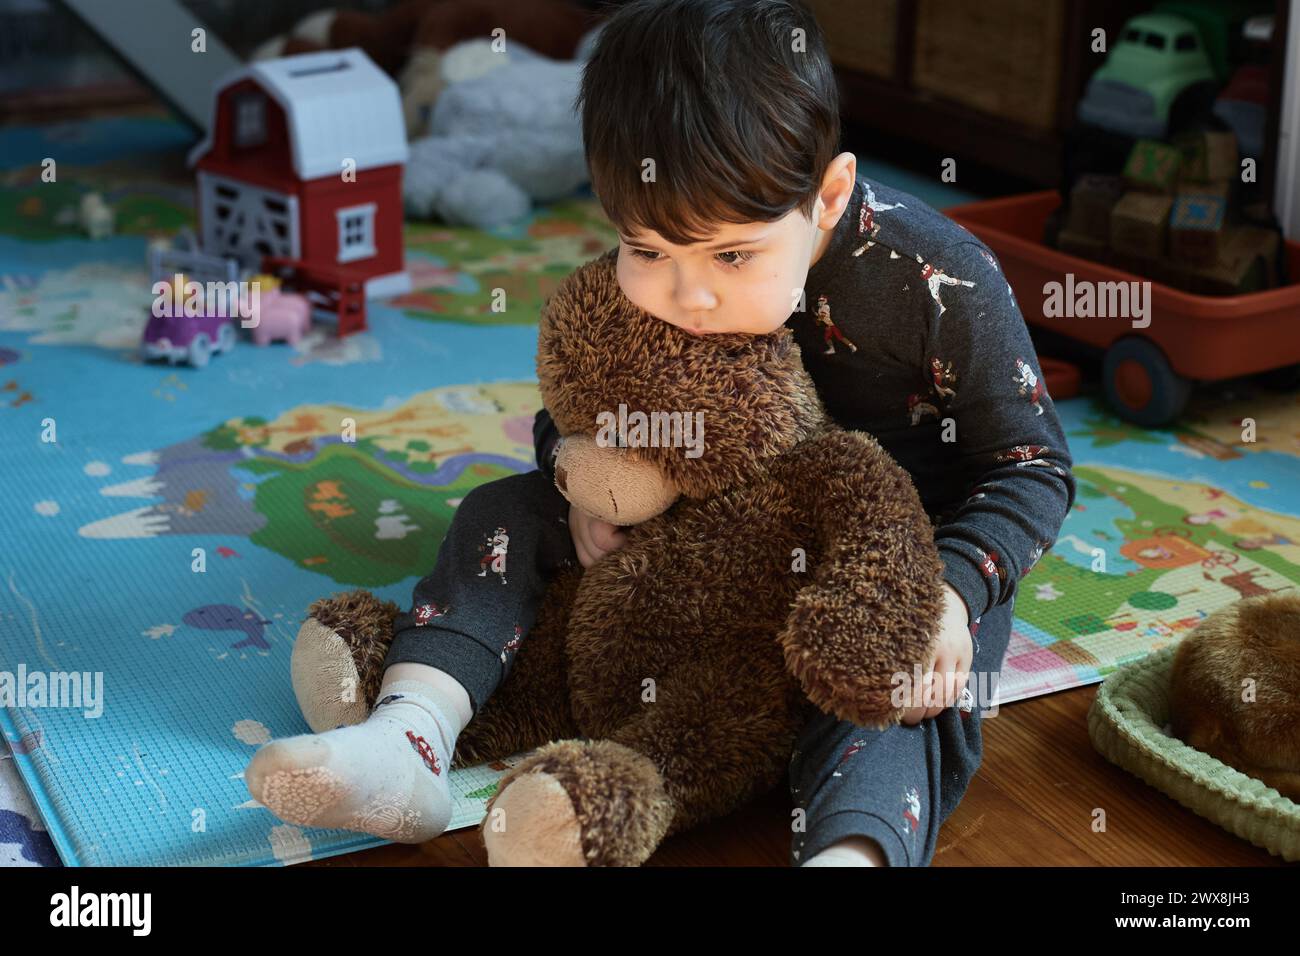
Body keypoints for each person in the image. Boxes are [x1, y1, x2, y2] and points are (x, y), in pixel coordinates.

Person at [245, 0, 1076, 866]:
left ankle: (851, 853)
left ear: (827, 197)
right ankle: (411, 732)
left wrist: (947, 593)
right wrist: (575, 475)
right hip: (685, 533)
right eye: (645, 250)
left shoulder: (939, 278)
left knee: (907, 688)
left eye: (732, 257)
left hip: (883, 559)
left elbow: (1033, 469)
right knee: (504, 510)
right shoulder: (660, 252)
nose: (689, 298)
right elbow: (577, 406)